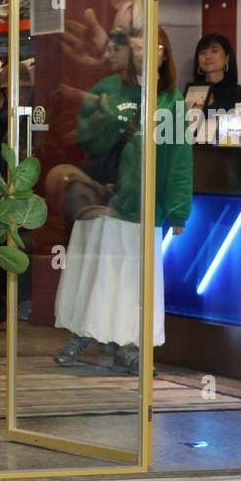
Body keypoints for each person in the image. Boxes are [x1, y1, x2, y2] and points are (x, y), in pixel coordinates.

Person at [52, 27, 192, 374]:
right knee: (93, 270)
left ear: (164, 53)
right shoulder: (109, 89)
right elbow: (85, 138)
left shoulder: (171, 101)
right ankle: (84, 332)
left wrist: (178, 210)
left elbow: (178, 158)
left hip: (141, 206)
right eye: (138, 48)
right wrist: (109, 120)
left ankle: (130, 343)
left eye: (154, 48)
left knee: (133, 278)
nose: (145, 54)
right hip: (102, 198)